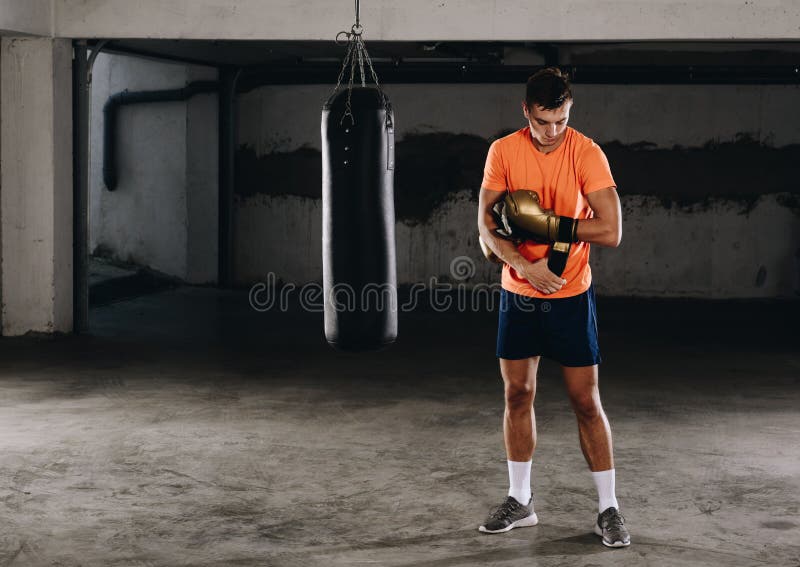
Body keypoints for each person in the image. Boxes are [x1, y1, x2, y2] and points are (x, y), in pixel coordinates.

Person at [476, 67, 630, 548]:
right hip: (519, 295)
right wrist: (527, 265)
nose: (552, 132)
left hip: (570, 294)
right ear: (526, 112)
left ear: (569, 112)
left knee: (586, 402)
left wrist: (549, 227)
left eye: (561, 120)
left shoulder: (586, 152)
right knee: (517, 394)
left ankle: (609, 508)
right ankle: (520, 501)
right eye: (544, 122)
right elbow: (485, 230)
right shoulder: (503, 151)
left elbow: (611, 231)